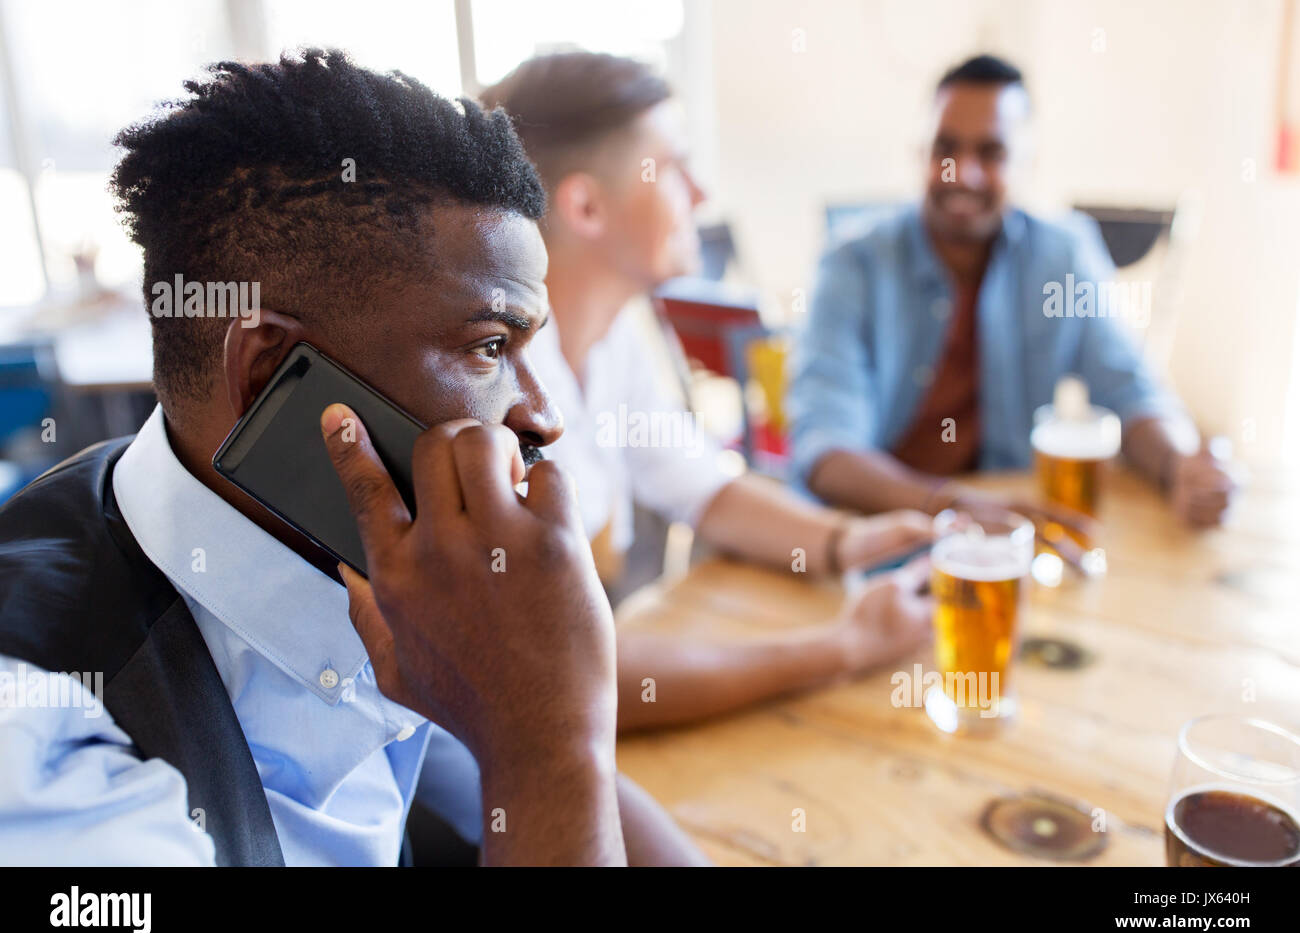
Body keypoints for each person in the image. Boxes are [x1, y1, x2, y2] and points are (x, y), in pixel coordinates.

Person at [0, 49, 704, 866]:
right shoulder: (49, 766)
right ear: (269, 376)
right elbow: (545, 779)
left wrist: (549, 730)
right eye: (488, 346)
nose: (543, 415)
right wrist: (544, 748)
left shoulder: (338, 551)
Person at [479, 53, 934, 732]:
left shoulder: (611, 337)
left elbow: (703, 488)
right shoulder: (494, 396)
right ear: (586, 206)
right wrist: (844, 646)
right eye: (674, 168)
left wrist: (846, 541)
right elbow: (569, 682)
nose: (700, 194)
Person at [787, 54, 1240, 540]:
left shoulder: (1063, 256)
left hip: (1004, 544)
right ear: (920, 153)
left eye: (991, 152)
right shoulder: (853, 262)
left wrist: (1180, 464)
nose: (963, 173)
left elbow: (1132, 392)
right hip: (864, 539)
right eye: (945, 148)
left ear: (1027, 164)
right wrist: (953, 510)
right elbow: (824, 450)